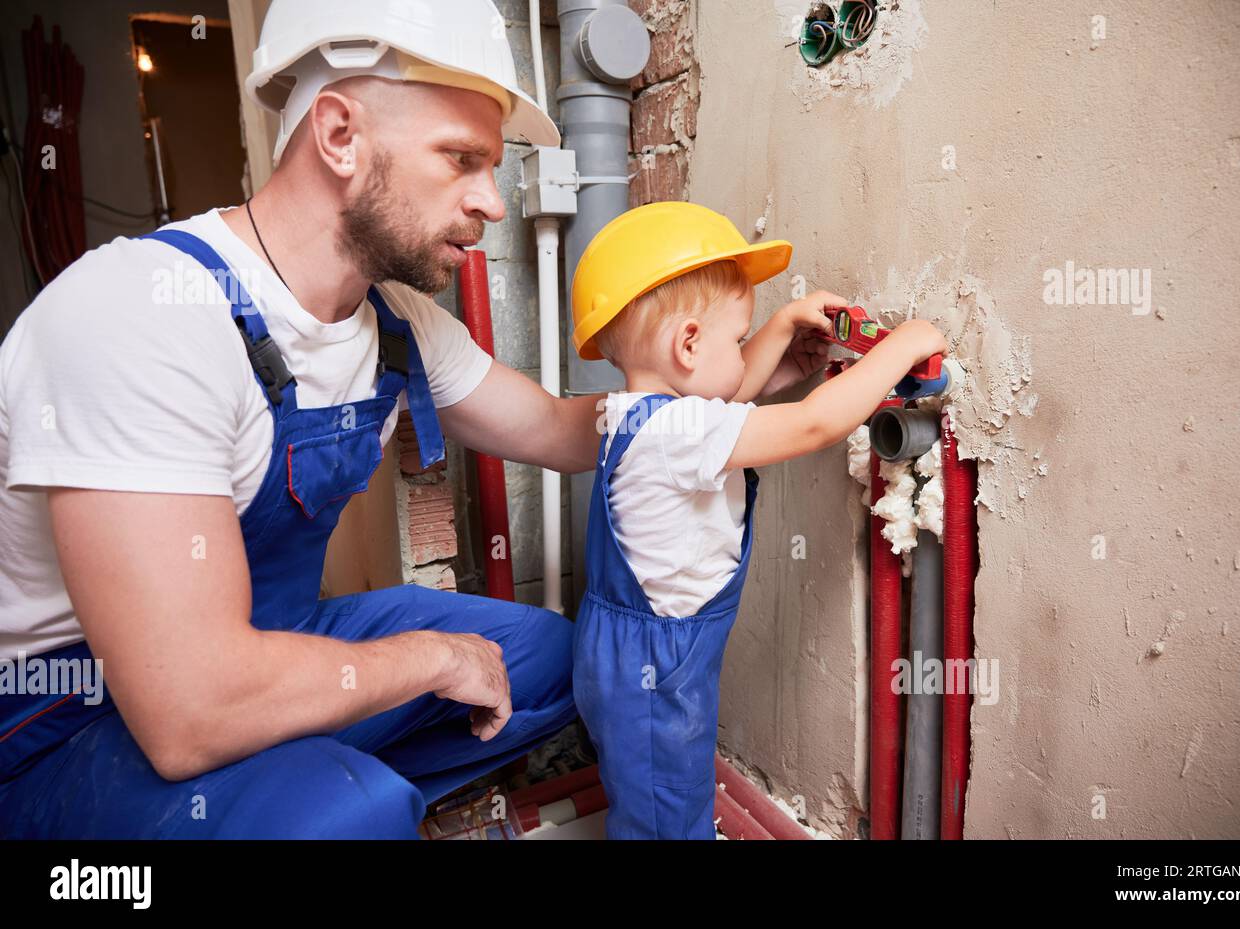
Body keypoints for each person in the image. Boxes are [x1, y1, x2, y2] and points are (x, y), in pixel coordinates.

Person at [0, 0, 587, 839]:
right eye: (461, 159)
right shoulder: (140, 313)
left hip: (264, 642)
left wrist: (725, 391)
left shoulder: (397, 323)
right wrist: (431, 656)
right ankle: (333, 803)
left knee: (549, 663)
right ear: (340, 134)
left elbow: (561, 431)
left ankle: (323, 790)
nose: (492, 202)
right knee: (345, 810)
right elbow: (186, 709)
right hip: (65, 718)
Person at [568, 202, 949, 839]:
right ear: (688, 343)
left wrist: (778, 336)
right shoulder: (680, 432)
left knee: (647, 801)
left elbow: (719, 399)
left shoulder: (635, 415)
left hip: (621, 652)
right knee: (667, 819)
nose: (743, 353)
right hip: (658, 674)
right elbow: (814, 423)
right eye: (734, 338)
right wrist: (904, 345)